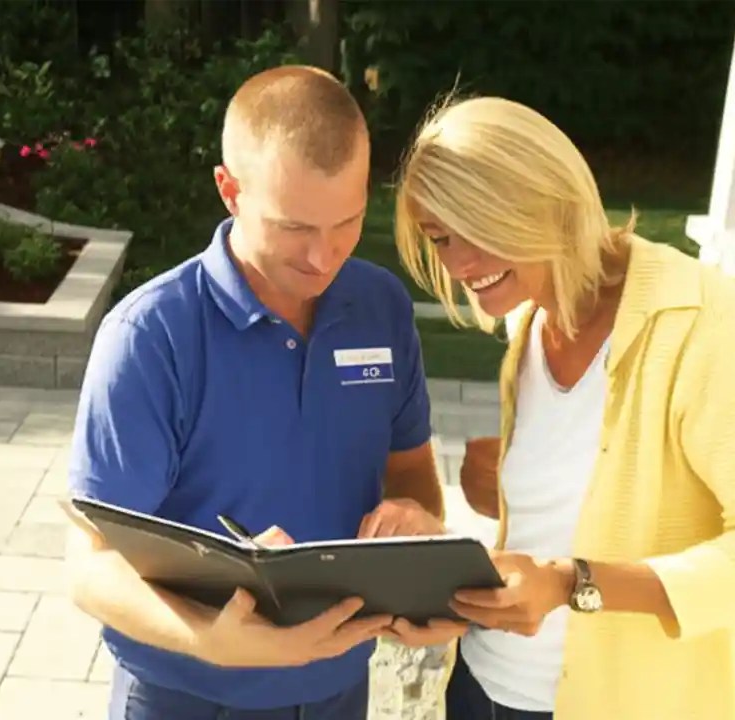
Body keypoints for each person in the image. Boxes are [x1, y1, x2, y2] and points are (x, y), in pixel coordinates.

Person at [389, 94, 735, 720]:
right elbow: (590, 508)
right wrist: (505, 493)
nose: (460, 263)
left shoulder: (701, 320)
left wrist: (570, 583)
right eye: (441, 238)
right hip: (479, 686)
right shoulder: (527, 320)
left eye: (480, 227)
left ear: (549, 199)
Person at [64, 65, 454, 719]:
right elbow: (90, 565)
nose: (324, 257)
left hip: (339, 692)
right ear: (229, 190)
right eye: (294, 227)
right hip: (185, 696)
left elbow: (412, 475)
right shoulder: (150, 337)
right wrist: (212, 639)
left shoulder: (381, 307)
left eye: (348, 221)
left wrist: (416, 522)